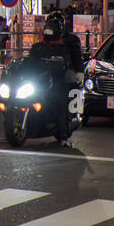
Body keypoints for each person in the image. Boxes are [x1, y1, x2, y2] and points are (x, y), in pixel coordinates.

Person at [28, 11, 84, 144]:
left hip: (63, 72)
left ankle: (64, 134)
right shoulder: (41, 41)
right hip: (44, 73)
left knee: (62, 97)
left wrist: (79, 71)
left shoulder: (69, 40)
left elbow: (76, 57)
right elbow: (33, 56)